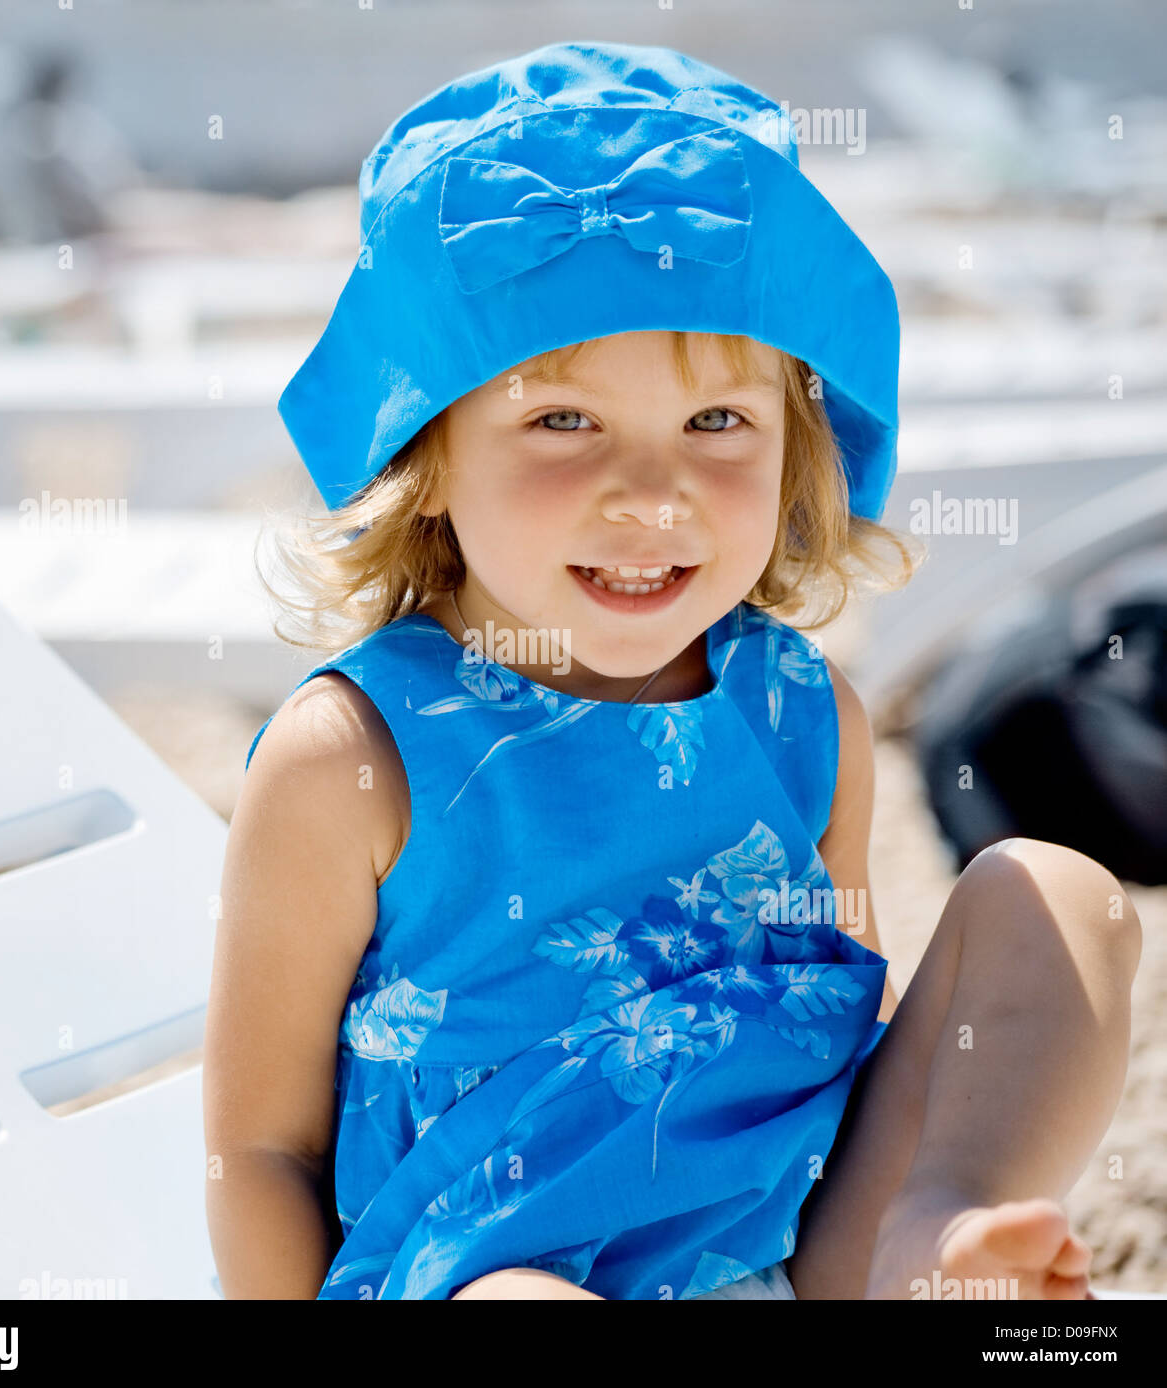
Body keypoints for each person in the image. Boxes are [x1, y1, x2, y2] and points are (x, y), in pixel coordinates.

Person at [203, 41, 1140, 1301]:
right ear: (428, 459)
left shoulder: (803, 714)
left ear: (793, 446)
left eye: (716, 424)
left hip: (801, 1247)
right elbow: (260, 1145)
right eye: (561, 420)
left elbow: (827, 1031)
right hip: (497, 1271)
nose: (651, 494)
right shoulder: (358, 757)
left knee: (1057, 892)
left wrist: (896, 1185)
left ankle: (942, 1237)